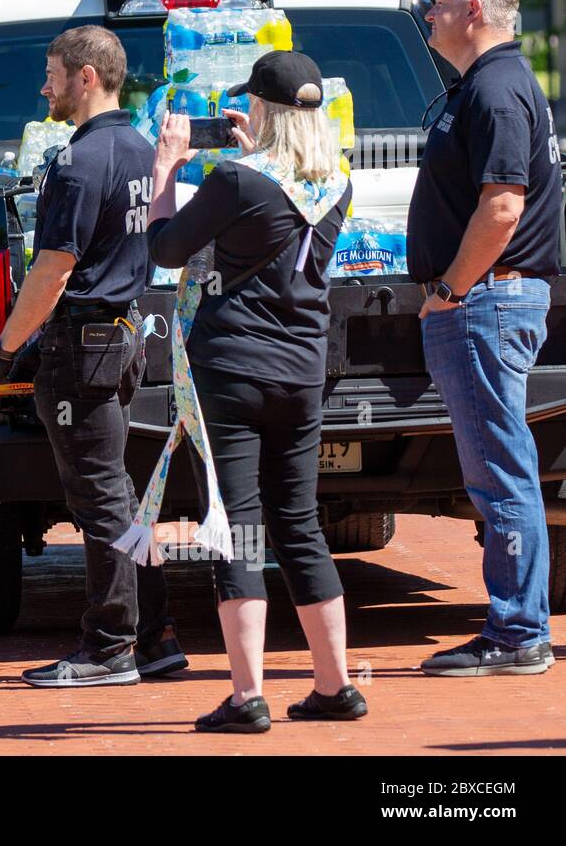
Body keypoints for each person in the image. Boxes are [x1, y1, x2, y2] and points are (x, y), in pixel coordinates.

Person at [147, 50, 363, 732]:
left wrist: (167, 167)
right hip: (304, 371)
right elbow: (279, 202)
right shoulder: (338, 184)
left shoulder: (238, 180)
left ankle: (248, 696)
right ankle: (335, 685)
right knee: (298, 521)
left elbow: (166, 247)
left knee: (238, 526)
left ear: (262, 108)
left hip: (234, 369)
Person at [0, 26, 185, 687]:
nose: (44, 87)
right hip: (126, 339)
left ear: (85, 77)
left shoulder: (77, 160)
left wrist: (3, 354)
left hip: (82, 343)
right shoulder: (142, 149)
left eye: (52, 74)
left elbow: (51, 273)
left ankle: (109, 646)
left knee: (99, 500)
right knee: (120, 492)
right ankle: (154, 636)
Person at [407, 0, 561, 677]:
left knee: (501, 471)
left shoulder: (496, 89)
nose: (429, 16)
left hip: (487, 300)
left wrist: (448, 288)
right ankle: (516, 624)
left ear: (473, 9)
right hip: (487, 299)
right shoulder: (484, 86)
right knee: (500, 469)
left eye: (437, 5)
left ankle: (518, 630)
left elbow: (503, 206)